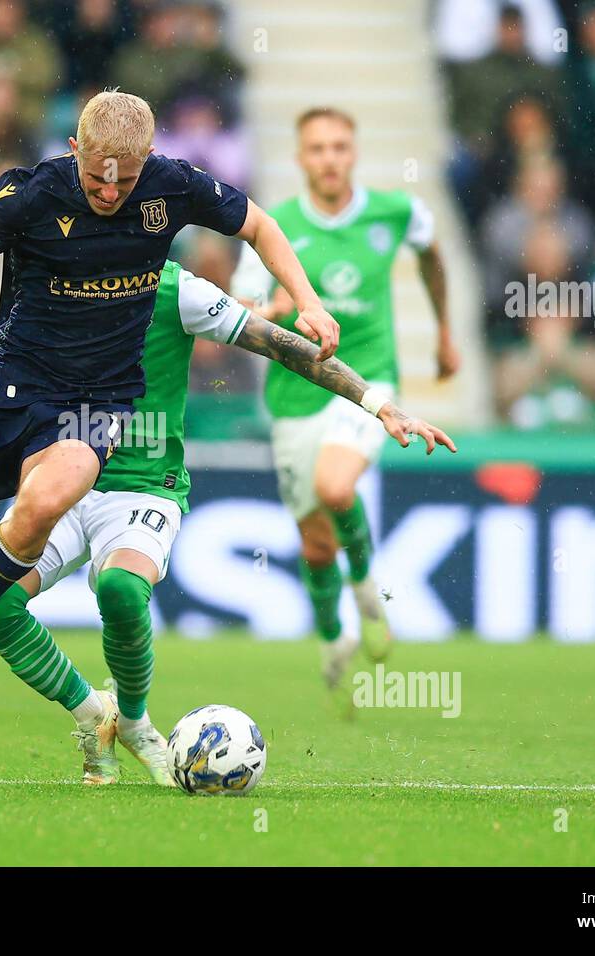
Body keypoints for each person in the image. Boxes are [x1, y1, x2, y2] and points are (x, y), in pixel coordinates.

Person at [0, 90, 340, 707]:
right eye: (97, 179)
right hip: (7, 389)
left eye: (125, 181)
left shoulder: (173, 186)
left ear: (149, 158)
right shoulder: (31, 194)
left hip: (96, 400)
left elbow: (259, 226)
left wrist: (309, 300)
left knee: (50, 495)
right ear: (74, 149)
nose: (110, 194)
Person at [0, 259, 455, 785]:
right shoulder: (52, 278)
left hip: (143, 483)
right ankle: (93, 714)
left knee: (119, 588)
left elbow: (284, 345)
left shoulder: (177, 290)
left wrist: (378, 404)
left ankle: (134, 722)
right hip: (58, 477)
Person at [230, 107, 458, 687]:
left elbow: (433, 257)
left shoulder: (397, 211)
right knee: (313, 545)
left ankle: (366, 589)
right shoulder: (272, 225)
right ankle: (333, 633)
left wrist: (445, 333)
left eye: (338, 147)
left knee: (337, 487)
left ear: (353, 153)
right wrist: (275, 309)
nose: (329, 159)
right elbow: (239, 308)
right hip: (295, 390)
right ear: (300, 158)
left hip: (371, 379)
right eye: (317, 149)